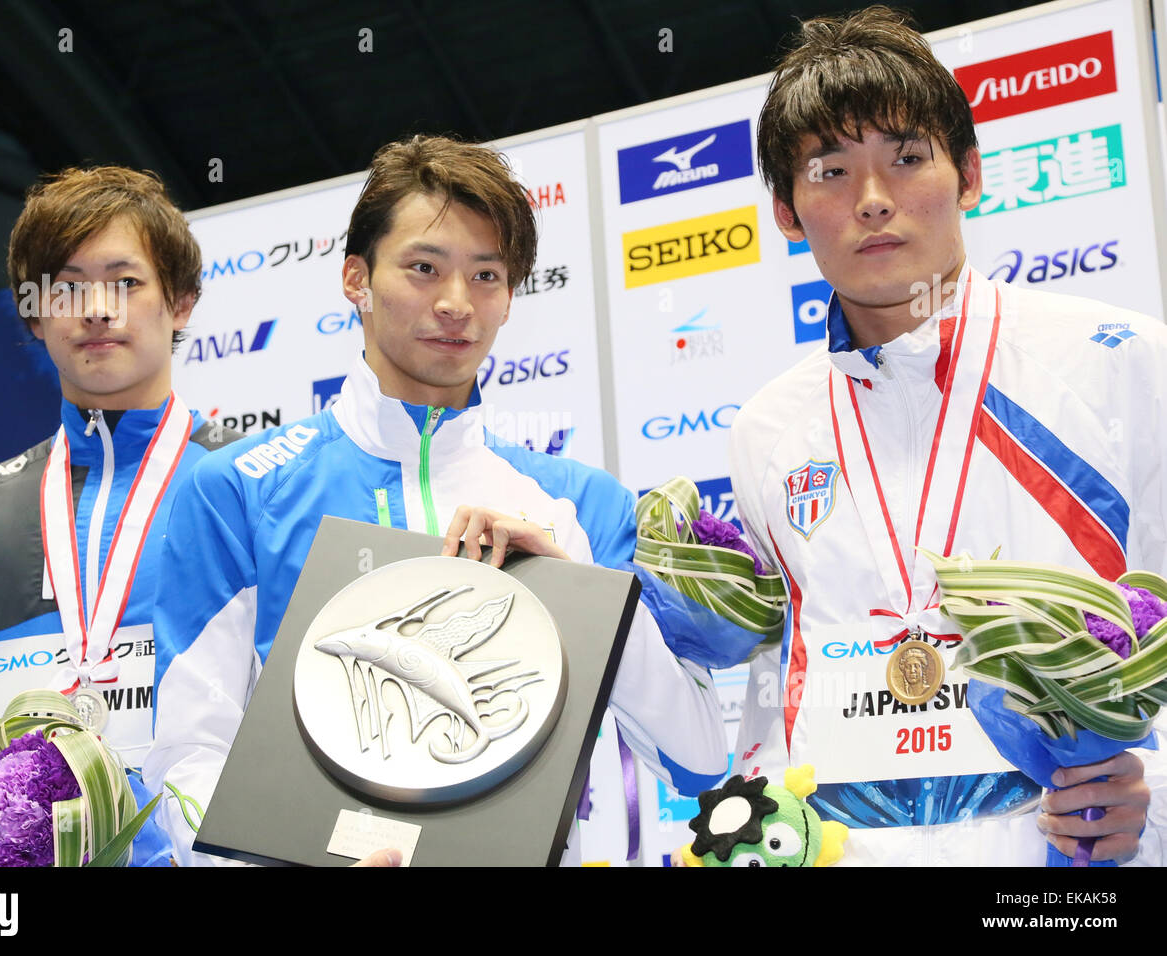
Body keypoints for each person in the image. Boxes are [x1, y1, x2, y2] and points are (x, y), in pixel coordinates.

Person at [145, 135, 729, 866]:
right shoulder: (239, 487)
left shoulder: (584, 505)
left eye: (487, 275)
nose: (457, 304)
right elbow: (189, 754)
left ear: (511, 297)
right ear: (355, 279)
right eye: (424, 269)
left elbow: (701, 759)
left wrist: (582, 589)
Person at [727, 6, 1165, 865]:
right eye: (830, 171)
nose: (874, 200)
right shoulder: (767, 432)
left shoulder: (1118, 362)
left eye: (906, 157)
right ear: (785, 211)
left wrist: (1158, 796)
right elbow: (771, 693)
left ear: (967, 173)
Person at [0, 166, 239, 866]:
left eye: (126, 283)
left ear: (182, 301)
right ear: (33, 313)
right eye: (66, 287)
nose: (97, 310)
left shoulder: (257, 488)